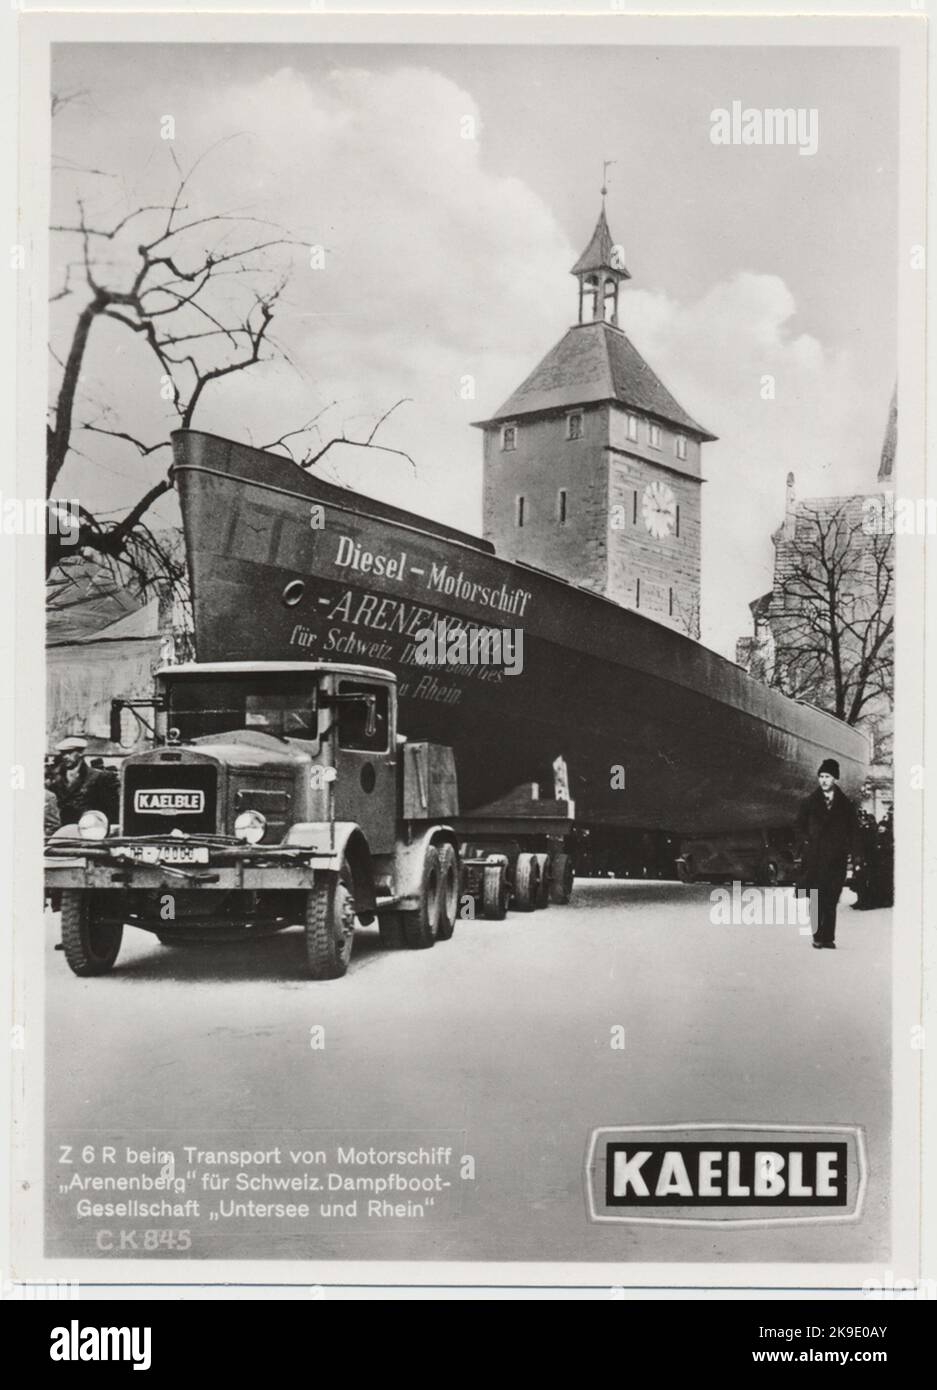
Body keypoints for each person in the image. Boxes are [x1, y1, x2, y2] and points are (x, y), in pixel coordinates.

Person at [795, 758, 862, 950]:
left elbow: (854, 832)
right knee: (815, 898)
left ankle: (828, 937)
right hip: (815, 858)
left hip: (836, 859)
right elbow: (798, 825)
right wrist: (806, 841)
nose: (823, 780)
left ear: (835, 779)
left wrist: (856, 856)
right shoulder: (809, 802)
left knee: (831, 898)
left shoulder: (846, 805)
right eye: (821, 776)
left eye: (828, 776)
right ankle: (817, 936)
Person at [50, 736, 118, 826]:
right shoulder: (56, 780)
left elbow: (112, 810)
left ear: (80, 753)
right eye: (63, 753)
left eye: (70, 753)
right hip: (63, 831)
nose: (65, 756)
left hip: (88, 830)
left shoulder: (99, 778)